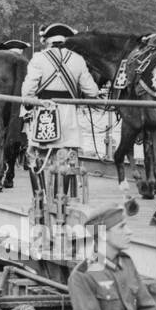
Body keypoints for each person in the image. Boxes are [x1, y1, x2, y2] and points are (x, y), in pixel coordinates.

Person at [22, 22, 99, 203]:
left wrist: (31, 103)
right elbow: (93, 92)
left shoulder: (38, 59)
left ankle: (40, 200)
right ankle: (61, 200)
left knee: (36, 157)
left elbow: (27, 93)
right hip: (69, 114)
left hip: (45, 113)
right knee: (66, 159)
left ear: (47, 41)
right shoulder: (78, 59)